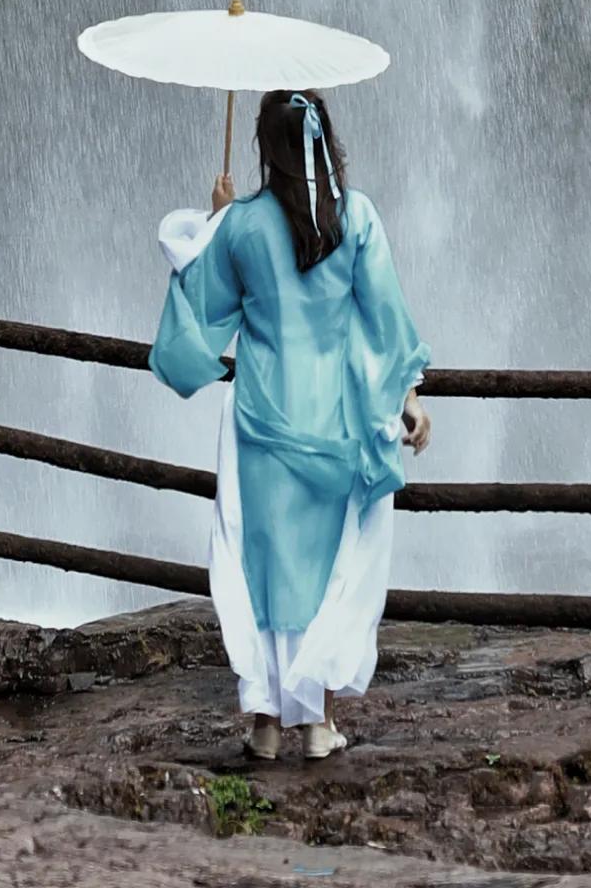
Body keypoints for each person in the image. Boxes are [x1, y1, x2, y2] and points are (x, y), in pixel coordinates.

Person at [152, 86, 431, 761]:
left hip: (261, 415)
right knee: (328, 563)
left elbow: (202, 308)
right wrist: (408, 396)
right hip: (334, 413)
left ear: (264, 149)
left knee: (264, 567)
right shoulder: (357, 217)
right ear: (323, 138)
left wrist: (218, 223)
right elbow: (386, 317)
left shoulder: (244, 226)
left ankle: (265, 726)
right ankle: (317, 725)